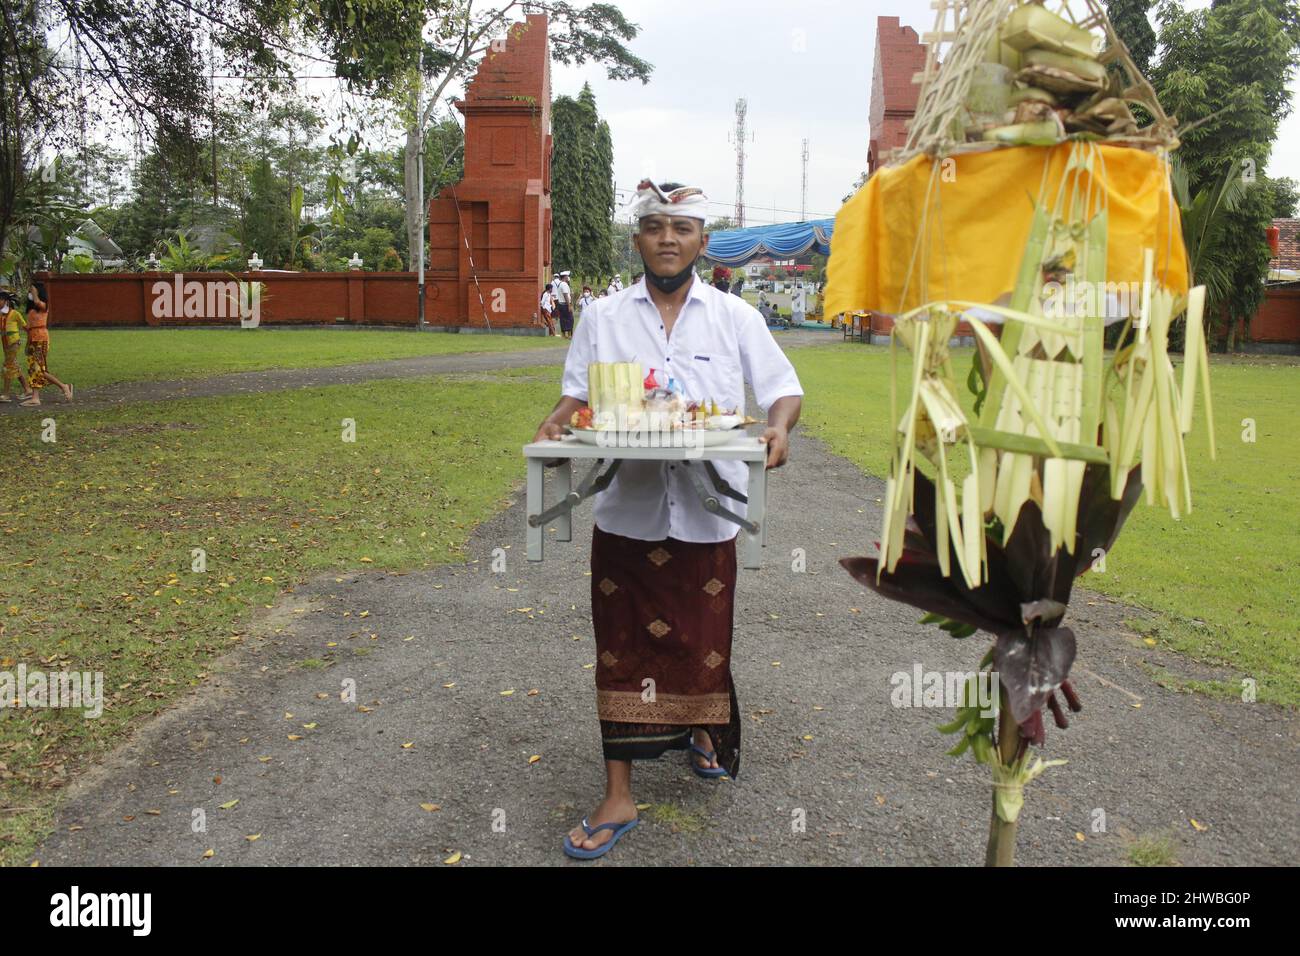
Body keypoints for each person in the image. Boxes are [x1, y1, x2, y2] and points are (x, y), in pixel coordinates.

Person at [532, 178, 804, 860]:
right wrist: (556, 425)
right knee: (620, 647)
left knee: (701, 640)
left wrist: (778, 427)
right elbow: (575, 395)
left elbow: (783, 389)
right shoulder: (603, 317)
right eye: (655, 227)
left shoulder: (734, 317)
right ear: (638, 241)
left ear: (702, 242)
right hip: (627, 512)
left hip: (710, 515)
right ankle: (618, 793)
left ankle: (703, 730)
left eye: (681, 229)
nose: (667, 239)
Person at [20, 282, 71, 406]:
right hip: (32, 339)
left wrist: (34, 293)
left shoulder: (43, 305)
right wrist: (27, 343)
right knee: (33, 369)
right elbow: (29, 328)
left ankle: (63, 386)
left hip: (41, 339)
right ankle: (35, 397)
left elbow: (38, 302)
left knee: (39, 369)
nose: (30, 293)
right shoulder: (31, 310)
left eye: (32, 291)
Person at [1, 287, 30, 403]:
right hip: (5, 343)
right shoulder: (1, 315)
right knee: (14, 365)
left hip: (14, 343)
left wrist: (30, 340)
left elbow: (25, 327)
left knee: (7, 366)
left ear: (6, 301)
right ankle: (28, 389)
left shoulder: (15, 314)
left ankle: (6, 394)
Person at [555, 270, 574, 339]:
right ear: (565, 277)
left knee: (563, 319)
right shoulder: (564, 284)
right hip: (565, 304)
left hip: (561, 304)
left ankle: (563, 335)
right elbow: (565, 295)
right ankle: (569, 335)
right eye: (567, 276)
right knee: (570, 319)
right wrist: (569, 305)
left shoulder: (560, 284)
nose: (568, 278)